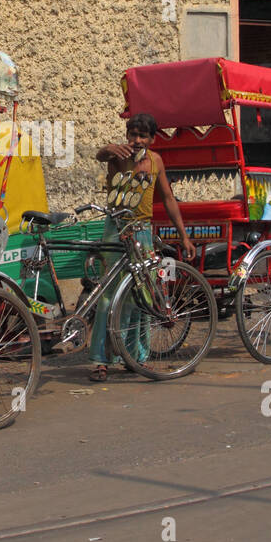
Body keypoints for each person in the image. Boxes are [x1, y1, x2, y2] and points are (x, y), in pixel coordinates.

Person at [87, 113, 196, 381]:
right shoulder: (118, 155)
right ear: (127, 135)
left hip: (143, 233)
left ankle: (137, 357)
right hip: (116, 230)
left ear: (152, 139)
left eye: (142, 136)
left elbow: (168, 198)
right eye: (132, 134)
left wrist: (184, 236)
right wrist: (109, 148)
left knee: (142, 296)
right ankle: (102, 360)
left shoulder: (156, 160)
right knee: (109, 295)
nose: (136, 140)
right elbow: (100, 155)